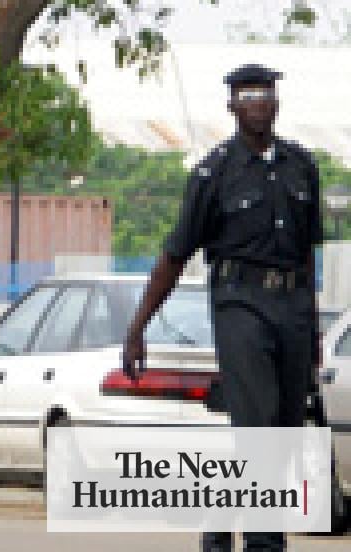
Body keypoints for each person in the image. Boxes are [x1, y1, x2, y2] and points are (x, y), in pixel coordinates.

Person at [122, 64, 321, 552]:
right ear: (231, 105)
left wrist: (313, 329)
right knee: (258, 426)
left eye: (266, 93)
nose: (258, 102)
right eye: (247, 94)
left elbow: (307, 255)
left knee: (285, 430)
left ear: (277, 102)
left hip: (292, 306)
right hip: (241, 306)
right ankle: (263, 542)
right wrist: (138, 327)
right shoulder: (213, 173)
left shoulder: (302, 166)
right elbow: (174, 256)